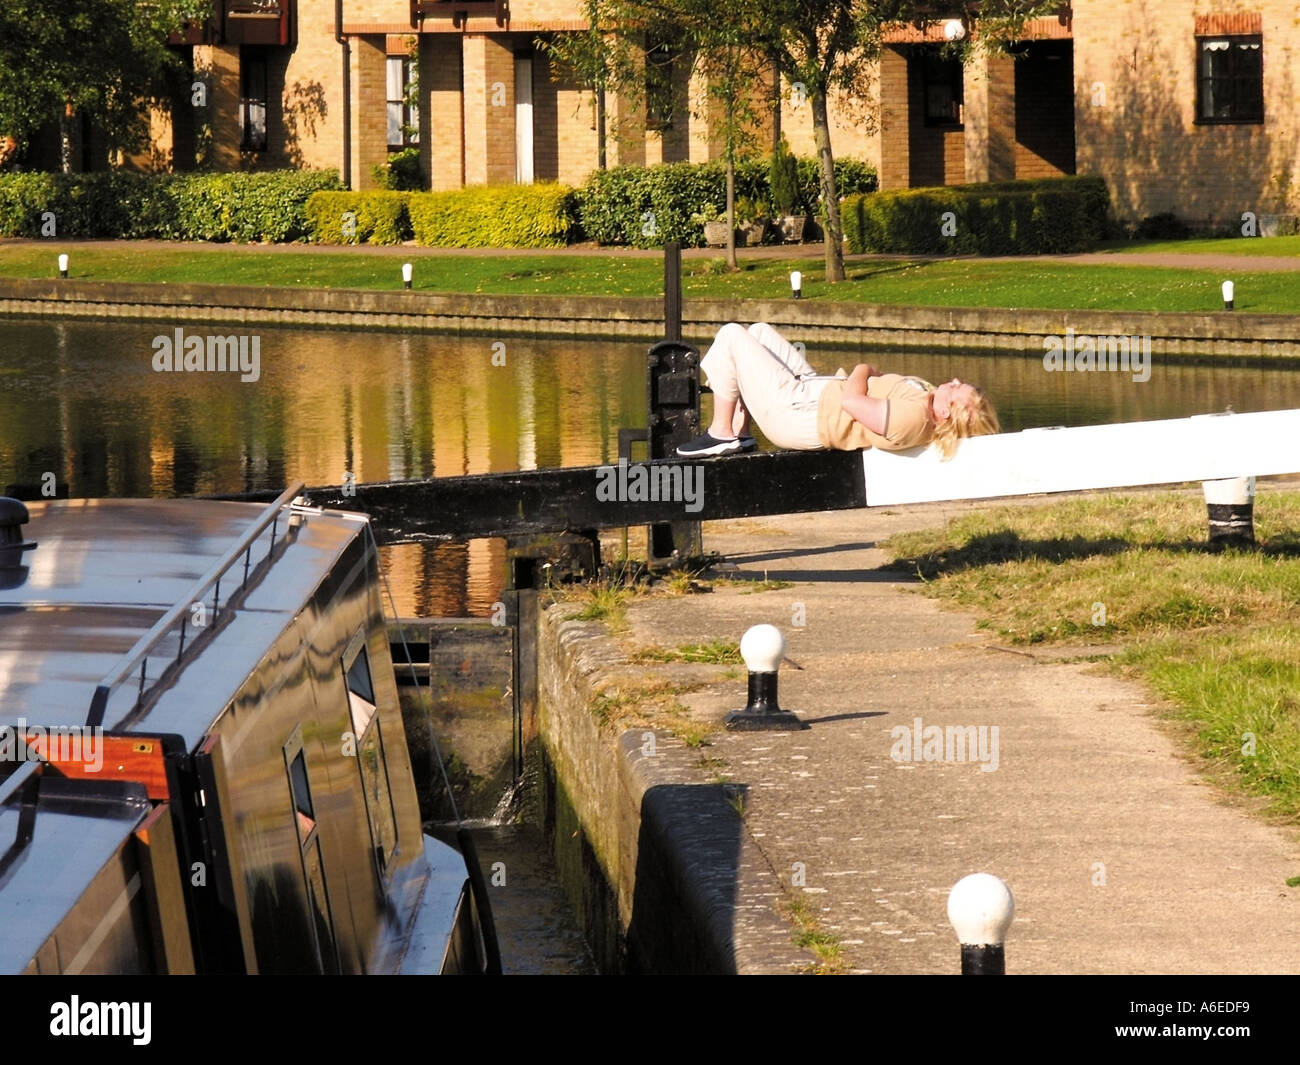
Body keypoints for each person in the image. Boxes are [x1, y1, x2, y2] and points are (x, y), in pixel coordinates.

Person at [677, 322, 1000, 459]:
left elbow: (851, 402)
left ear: (946, 414)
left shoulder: (913, 417)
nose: (955, 381)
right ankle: (742, 431)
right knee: (758, 333)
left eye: (957, 390)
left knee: (733, 335)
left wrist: (864, 369)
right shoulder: (926, 400)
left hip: (800, 416)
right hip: (813, 395)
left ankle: (721, 432)